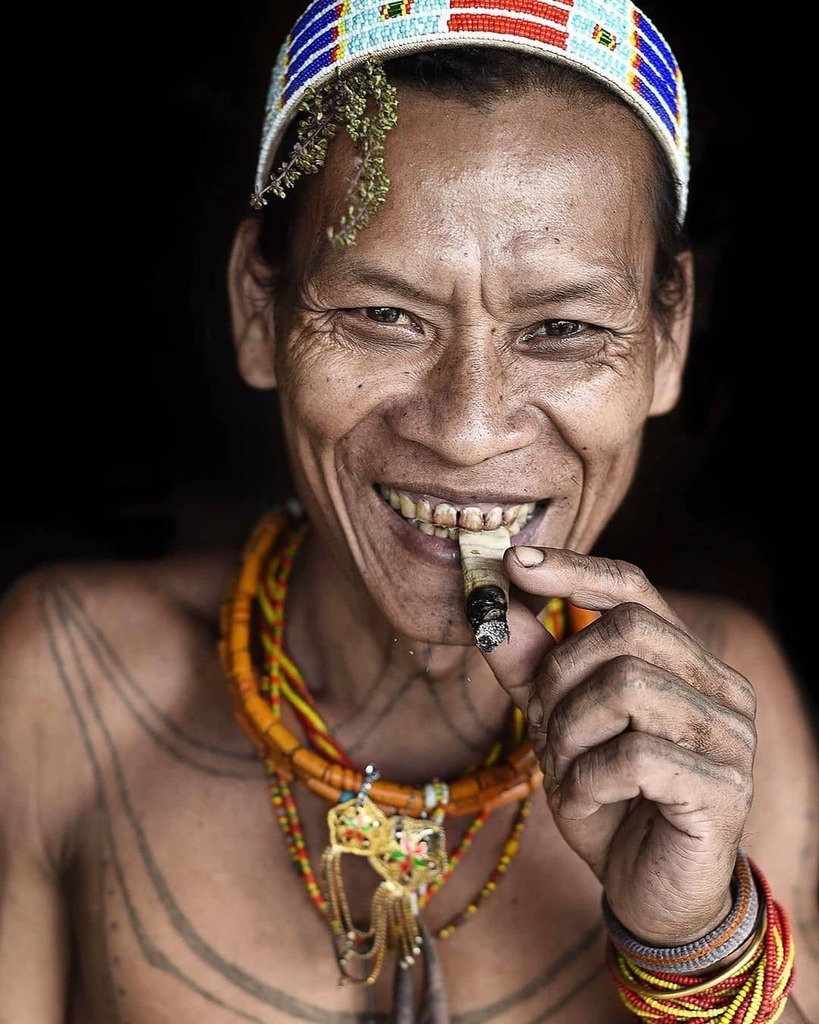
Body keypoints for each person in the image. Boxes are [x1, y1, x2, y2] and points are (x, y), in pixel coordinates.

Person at [1, 0, 817, 1020]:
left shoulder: (714, 725)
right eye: (384, 315)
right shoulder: (64, 688)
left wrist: (692, 933)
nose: (468, 428)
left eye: (563, 326)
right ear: (262, 311)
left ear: (667, 339)